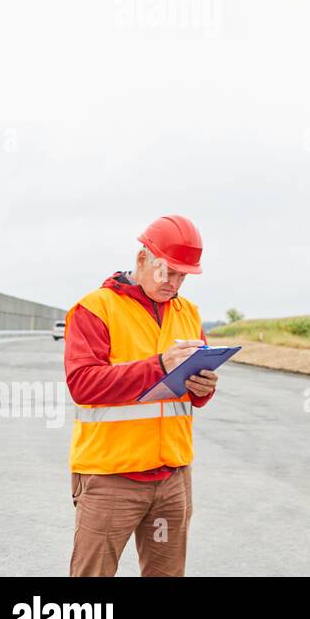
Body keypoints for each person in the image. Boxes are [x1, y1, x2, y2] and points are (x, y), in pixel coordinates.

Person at [63, 215, 217, 576]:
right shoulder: (95, 309)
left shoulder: (188, 313)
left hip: (172, 477)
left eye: (184, 276)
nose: (175, 284)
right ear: (142, 259)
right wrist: (159, 366)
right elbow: (83, 384)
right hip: (111, 477)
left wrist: (203, 389)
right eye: (169, 272)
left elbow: (193, 389)